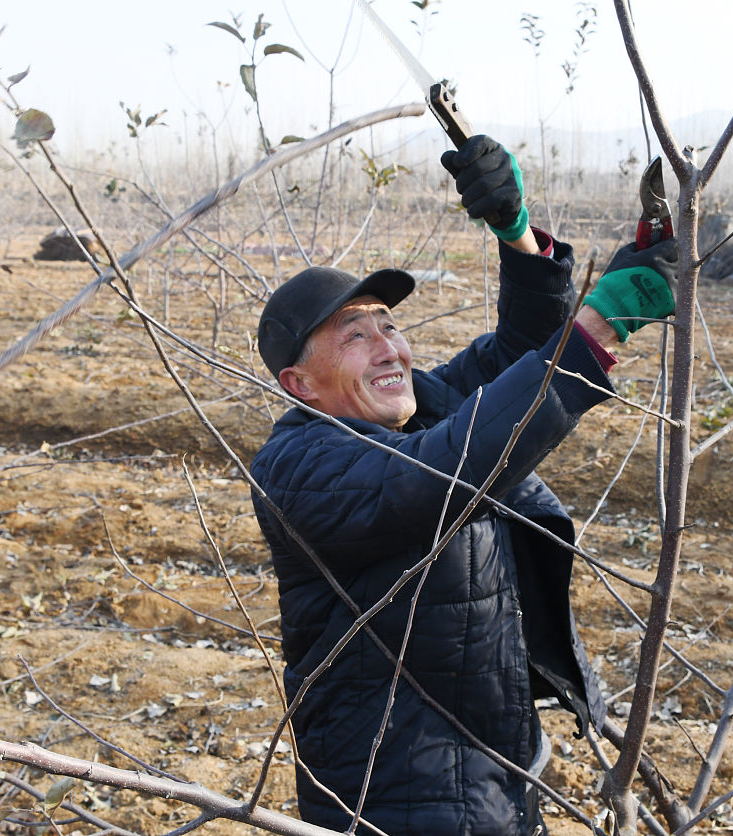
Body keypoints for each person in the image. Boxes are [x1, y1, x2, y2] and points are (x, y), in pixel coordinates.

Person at [248, 134, 679, 835]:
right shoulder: (299, 471)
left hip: (492, 781)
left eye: (389, 326)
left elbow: (518, 353)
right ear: (300, 384)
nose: (390, 346)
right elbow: (448, 472)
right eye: (356, 336)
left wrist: (516, 236)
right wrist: (599, 329)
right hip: (396, 804)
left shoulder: (417, 406)